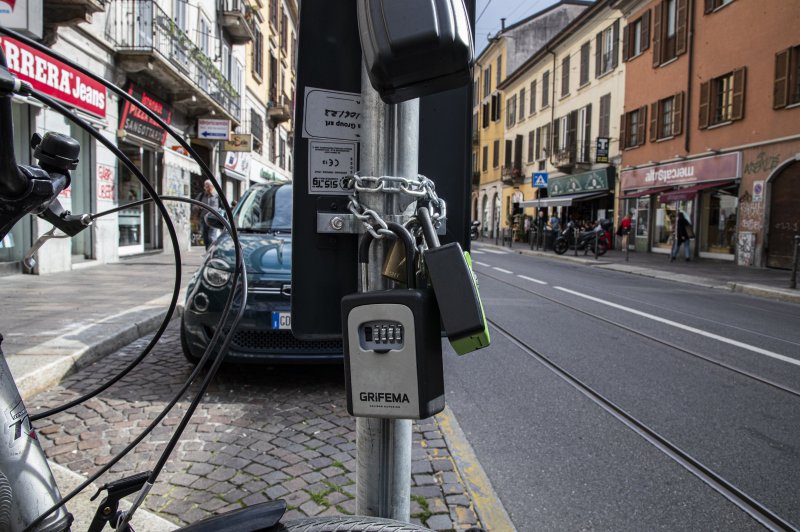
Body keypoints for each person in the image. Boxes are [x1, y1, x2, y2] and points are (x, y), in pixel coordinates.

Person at [194, 179, 220, 250]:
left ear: (212, 187)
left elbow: (223, 207)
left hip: (214, 219)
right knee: (205, 238)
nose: (207, 188)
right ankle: (208, 251)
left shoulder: (217, 196)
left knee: (211, 237)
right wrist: (197, 207)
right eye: (206, 186)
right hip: (203, 219)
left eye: (208, 186)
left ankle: (212, 251)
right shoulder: (201, 196)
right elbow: (194, 206)